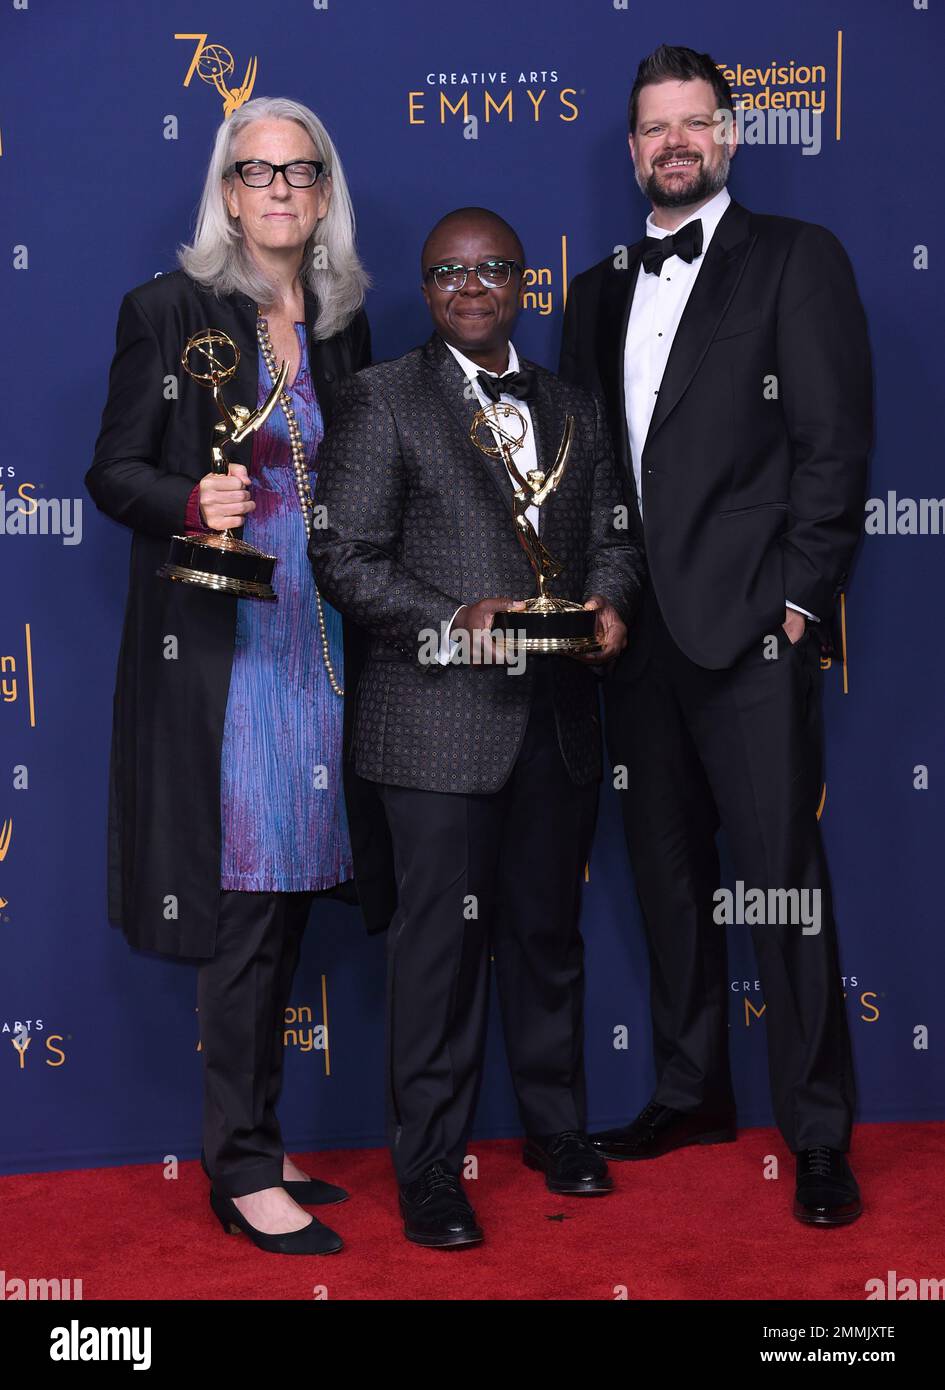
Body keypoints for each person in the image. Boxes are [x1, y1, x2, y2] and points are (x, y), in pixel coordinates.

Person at [559, 45, 872, 1226]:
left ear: (732, 137)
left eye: (697, 123)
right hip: (632, 640)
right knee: (669, 879)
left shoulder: (798, 260)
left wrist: (794, 606)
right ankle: (691, 1088)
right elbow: (594, 478)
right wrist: (600, 602)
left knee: (782, 885)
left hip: (751, 632)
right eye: (656, 127)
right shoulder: (593, 291)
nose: (676, 142)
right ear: (632, 147)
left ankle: (820, 1132)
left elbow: (833, 451)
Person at [86, 96, 392, 1256]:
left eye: (298, 171)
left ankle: (260, 1132)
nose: (277, 190)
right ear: (225, 192)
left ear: (322, 195)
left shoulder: (342, 320)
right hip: (228, 653)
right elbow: (112, 470)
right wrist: (185, 501)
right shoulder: (165, 312)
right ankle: (240, 1168)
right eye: (254, 170)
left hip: (324, 642)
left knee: (295, 899)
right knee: (246, 907)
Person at [310, 206, 644, 1247]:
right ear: (426, 286)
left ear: (521, 285)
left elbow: (610, 538)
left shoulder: (573, 406)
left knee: (547, 939)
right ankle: (429, 1171)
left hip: (556, 722)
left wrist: (611, 605)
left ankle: (557, 1130)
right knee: (440, 959)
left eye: (493, 269)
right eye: (449, 273)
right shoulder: (382, 400)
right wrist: (456, 618)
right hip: (435, 725)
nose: (470, 286)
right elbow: (346, 558)